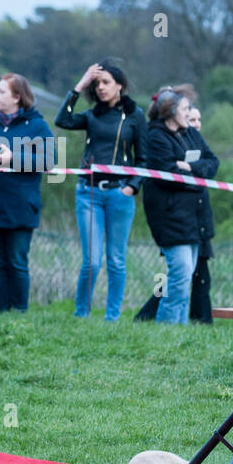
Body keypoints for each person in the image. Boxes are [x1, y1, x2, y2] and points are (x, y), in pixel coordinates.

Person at [56, 59, 146, 321]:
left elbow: (144, 159)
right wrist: (80, 84)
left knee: (116, 260)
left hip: (120, 194)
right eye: (96, 84)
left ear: (120, 85)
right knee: (92, 261)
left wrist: (131, 188)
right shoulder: (92, 115)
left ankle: (112, 318)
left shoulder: (135, 116)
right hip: (89, 194)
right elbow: (62, 120)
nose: (100, 88)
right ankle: (81, 314)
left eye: (106, 82)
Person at [0, 74, 55, 313]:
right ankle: (0, 310)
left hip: (20, 207)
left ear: (17, 97)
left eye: (1, 92)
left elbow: (49, 161)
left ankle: (19, 311)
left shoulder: (37, 125)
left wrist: (13, 158)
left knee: (17, 262)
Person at [135, 91, 215, 324]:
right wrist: (195, 175)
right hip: (170, 219)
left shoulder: (190, 134)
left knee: (185, 277)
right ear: (171, 113)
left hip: (193, 218)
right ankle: (167, 327)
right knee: (179, 277)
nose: (189, 115)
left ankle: (177, 330)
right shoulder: (156, 137)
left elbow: (212, 162)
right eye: (185, 110)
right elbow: (167, 175)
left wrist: (188, 167)